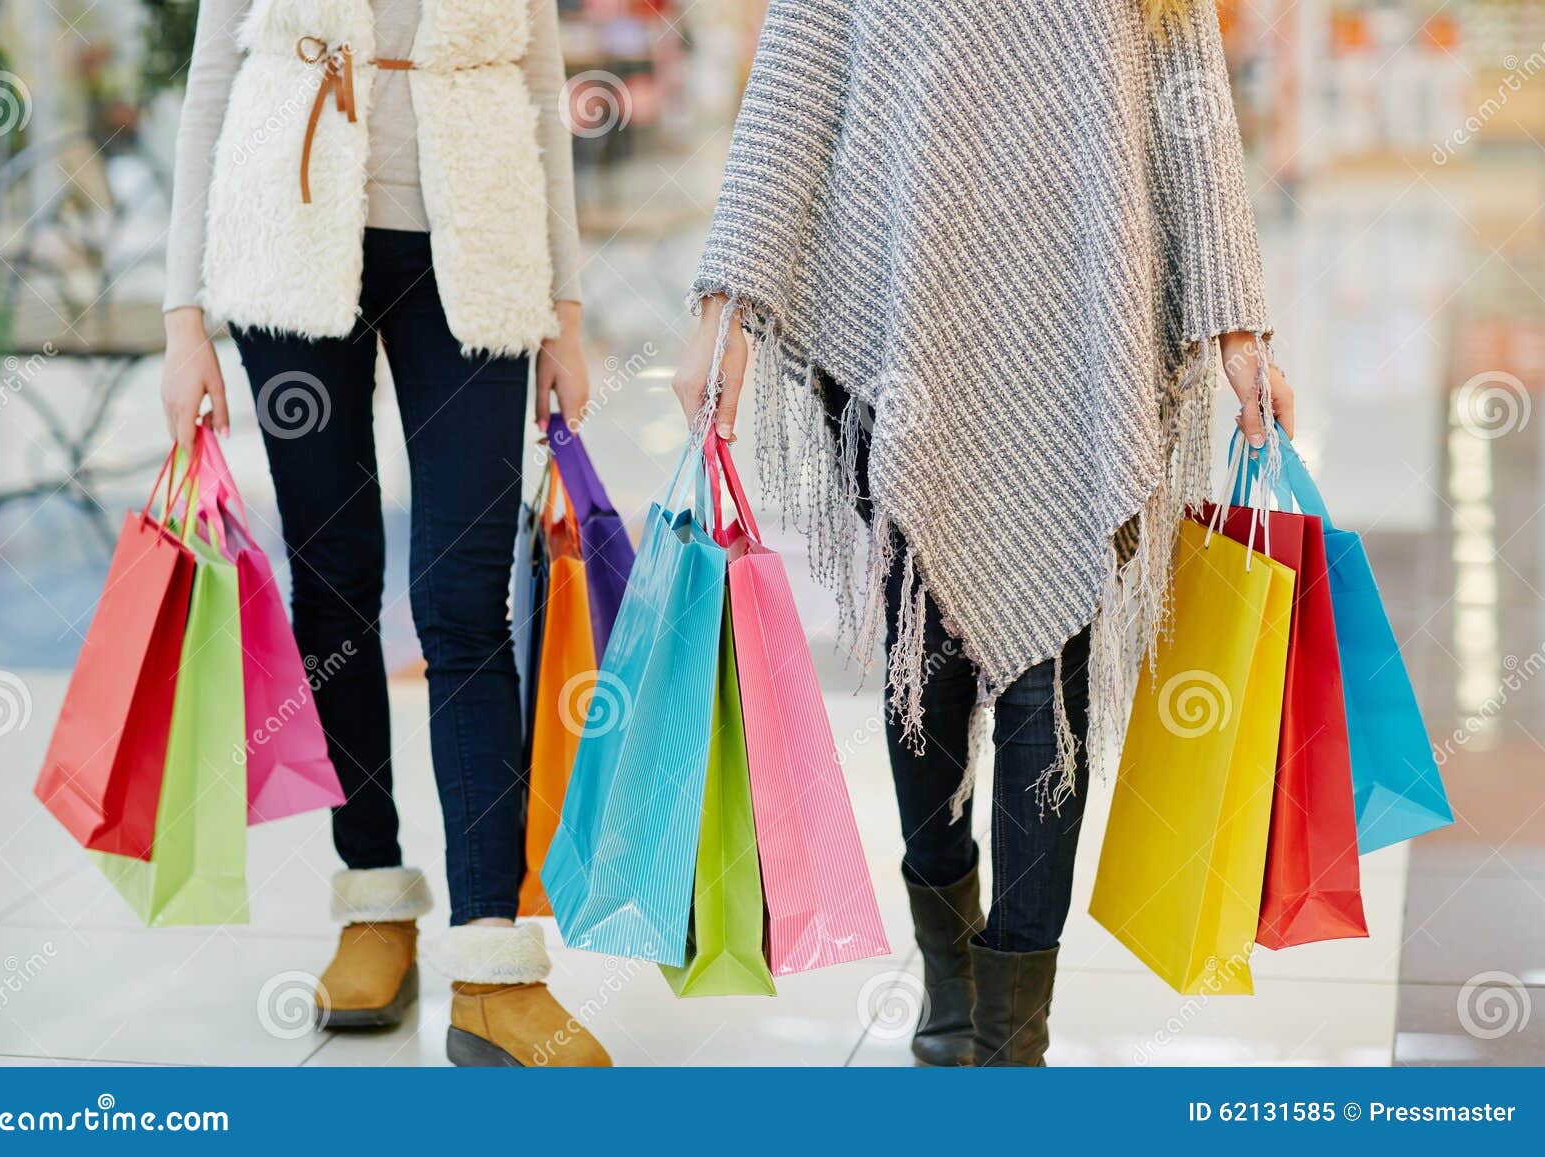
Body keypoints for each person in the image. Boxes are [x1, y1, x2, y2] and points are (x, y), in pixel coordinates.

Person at [672, 0, 1296, 1066]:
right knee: (934, 655)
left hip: (1086, 316)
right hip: (897, 311)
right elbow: (793, 81)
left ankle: (1014, 1037)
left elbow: (1191, 109)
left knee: (1051, 670)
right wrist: (721, 308)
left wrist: (1237, 326)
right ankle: (947, 963)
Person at [159, 0, 609, 1067]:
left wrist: (567, 309)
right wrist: (185, 321)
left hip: (477, 255)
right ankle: (373, 901)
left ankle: (493, 958)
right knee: (335, 586)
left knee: (465, 600)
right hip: (289, 242)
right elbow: (208, 93)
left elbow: (545, 96)